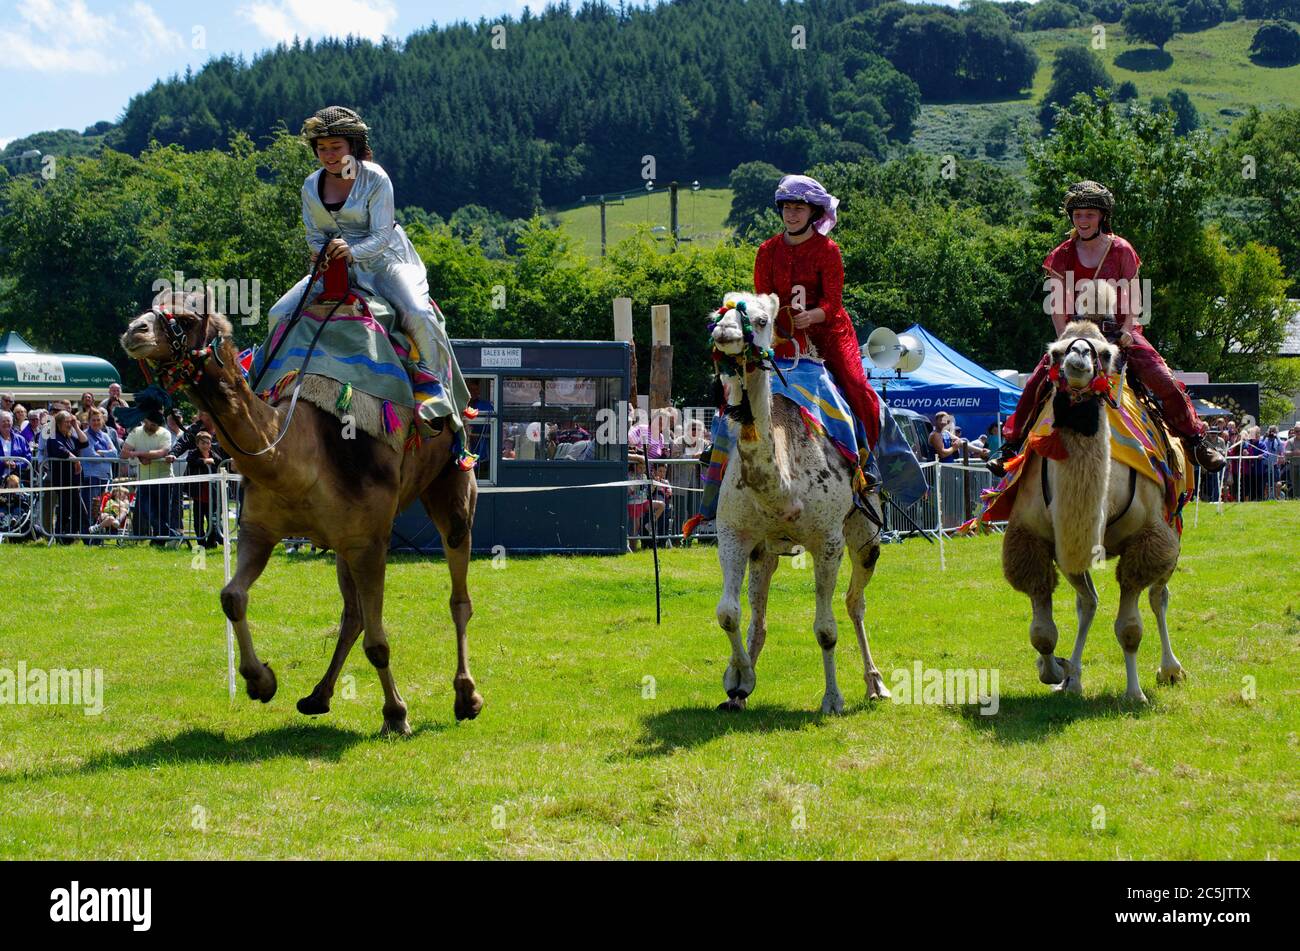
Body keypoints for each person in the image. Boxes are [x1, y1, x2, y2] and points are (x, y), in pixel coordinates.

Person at [266, 105, 475, 459]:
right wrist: (324, 255)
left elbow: (381, 234)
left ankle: (436, 390)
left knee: (417, 312)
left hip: (386, 263)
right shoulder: (309, 185)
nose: (328, 155)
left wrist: (351, 250)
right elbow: (313, 234)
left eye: (336, 147)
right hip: (334, 267)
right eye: (321, 148)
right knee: (278, 312)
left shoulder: (375, 178)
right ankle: (268, 387)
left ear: (353, 145)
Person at [990, 181, 1226, 478]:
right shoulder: (1061, 255)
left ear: (1102, 216)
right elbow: (1058, 304)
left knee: (1161, 377)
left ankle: (1195, 441)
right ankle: (1011, 447)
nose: (1083, 220)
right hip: (1078, 332)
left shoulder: (1120, 250)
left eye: (1089, 214)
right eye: (1077, 215)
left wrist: (1128, 328)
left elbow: (1132, 296)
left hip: (1119, 332)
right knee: (1037, 381)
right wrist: (1065, 336)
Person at [754, 174, 883, 460]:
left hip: (829, 333)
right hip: (782, 333)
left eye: (799, 208)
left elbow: (833, 303)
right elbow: (763, 299)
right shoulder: (766, 251)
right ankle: (720, 452)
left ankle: (868, 457)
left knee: (857, 385)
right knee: (740, 376)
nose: (792, 214)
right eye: (787, 208)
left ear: (813, 211)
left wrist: (812, 316)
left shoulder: (828, 250)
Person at [122, 410, 175, 542]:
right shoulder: (135, 432)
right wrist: (139, 458)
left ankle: (159, 540)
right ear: (145, 421)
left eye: (155, 426)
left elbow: (162, 452)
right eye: (150, 424)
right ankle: (172, 535)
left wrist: (139, 453)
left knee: (162, 512)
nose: (151, 428)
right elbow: (124, 452)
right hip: (144, 480)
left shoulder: (165, 433)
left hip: (164, 479)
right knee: (147, 510)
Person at [44, 410, 86, 541]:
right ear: (58, 423)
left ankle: (66, 537)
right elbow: (62, 451)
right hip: (62, 480)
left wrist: (76, 426)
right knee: (71, 510)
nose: (69, 424)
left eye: (70, 421)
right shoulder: (53, 437)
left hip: (73, 480)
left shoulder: (70, 437)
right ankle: (65, 536)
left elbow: (85, 442)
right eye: (66, 422)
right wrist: (76, 460)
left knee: (71, 510)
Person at [78, 408, 117, 542]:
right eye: (93, 420)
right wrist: (106, 453)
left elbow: (115, 454)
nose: (96, 422)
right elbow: (90, 456)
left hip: (106, 477)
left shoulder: (105, 436)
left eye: (98, 420)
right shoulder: (84, 436)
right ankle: (90, 538)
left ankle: (99, 537)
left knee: (102, 509)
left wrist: (101, 452)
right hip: (91, 477)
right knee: (92, 509)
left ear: (102, 421)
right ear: (88, 421)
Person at [0, 410, 32, 482]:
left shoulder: (20, 439)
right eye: (3, 421)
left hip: (16, 477)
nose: (6, 423)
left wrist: (16, 465)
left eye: (8, 421)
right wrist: (3, 463)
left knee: (13, 481)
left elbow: (27, 458)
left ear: (12, 423)